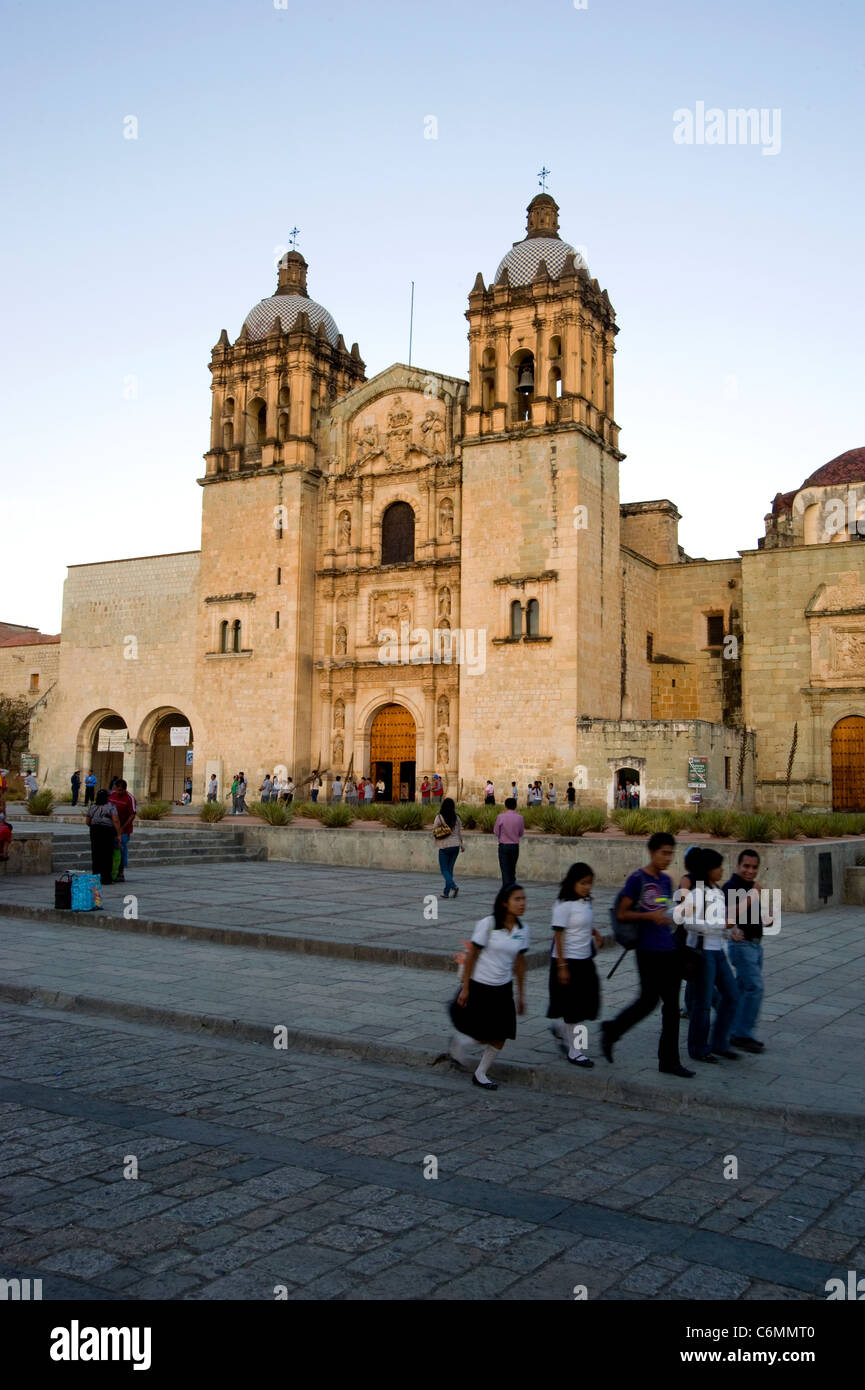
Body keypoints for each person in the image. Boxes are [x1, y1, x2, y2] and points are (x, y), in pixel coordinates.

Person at [601, 832, 694, 1078]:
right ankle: (612, 1030)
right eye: (663, 852)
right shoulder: (637, 879)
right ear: (652, 852)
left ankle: (669, 1060)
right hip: (647, 951)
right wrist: (648, 917)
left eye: (671, 853)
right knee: (648, 1001)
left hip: (668, 949)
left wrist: (671, 918)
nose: (667, 858)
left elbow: (662, 909)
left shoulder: (665, 881)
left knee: (672, 1008)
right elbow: (621, 914)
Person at [445, 882, 530, 1090]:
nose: (522, 903)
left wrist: (521, 995)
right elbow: (472, 955)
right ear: (504, 903)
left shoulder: (523, 929)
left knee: (502, 1035)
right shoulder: (488, 924)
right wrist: (466, 988)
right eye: (516, 899)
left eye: (523, 899)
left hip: (503, 988)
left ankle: (480, 1073)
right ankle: (460, 1043)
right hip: (480, 985)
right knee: (482, 1034)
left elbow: (519, 964)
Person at [681, 847, 740, 1063]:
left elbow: (721, 921)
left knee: (732, 996)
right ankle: (698, 1048)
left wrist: (730, 931)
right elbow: (689, 922)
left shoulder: (717, 891)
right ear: (707, 870)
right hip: (703, 952)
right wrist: (720, 925)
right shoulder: (697, 892)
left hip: (718, 950)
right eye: (717, 866)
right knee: (703, 1004)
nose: (721, 870)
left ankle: (719, 1041)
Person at [548, 862, 603, 1066]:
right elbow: (559, 936)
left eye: (590, 883)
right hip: (567, 961)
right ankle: (576, 1051)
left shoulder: (585, 902)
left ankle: (561, 1031)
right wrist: (562, 966)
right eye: (583, 883)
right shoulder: (563, 905)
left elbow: (583, 924)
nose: (587, 887)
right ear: (573, 882)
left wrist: (595, 933)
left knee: (589, 1003)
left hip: (585, 959)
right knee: (574, 1010)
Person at [725, 849, 771, 1053]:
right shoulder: (731, 886)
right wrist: (752, 897)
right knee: (754, 987)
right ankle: (742, 1033)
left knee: (741, 989)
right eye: (746, 866)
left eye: (754, 867)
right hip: (742, 946)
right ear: (738, 866)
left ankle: (729, 1027)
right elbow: (728, 915)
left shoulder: (752, 887)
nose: (750, 871)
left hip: (755, 946)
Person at [86, 789, 122, 886]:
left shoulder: (92, 806)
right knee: (107, 854)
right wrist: (119, 834)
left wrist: (94, 827)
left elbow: (88, 821)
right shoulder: (111, 806)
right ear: (107, 797)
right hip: (107, 831)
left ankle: (95, 877)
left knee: (96, 854)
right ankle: (106, 878)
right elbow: (115, 820)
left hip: (95, 831)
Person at [432, 796, 464, 899]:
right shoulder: (457, 817)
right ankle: (446, 892)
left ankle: (454, 887)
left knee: (444, 870)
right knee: (449, 870)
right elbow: (459, 832)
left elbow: (434, 829)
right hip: (455, 846)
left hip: (444, 846)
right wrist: (461, 845)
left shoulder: (439, 817)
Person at [109, 778, 136, 883]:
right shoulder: (112, 795)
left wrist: (122, 828)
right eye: (117, 789)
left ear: (125, 789)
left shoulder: (130, 798)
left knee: (122, 850)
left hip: (124, 829)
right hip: (112, 828)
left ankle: (121, 872)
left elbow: (132, 814)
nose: (118, 792)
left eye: (121, 790)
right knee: (112, 851)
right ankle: (112, 872)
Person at [493, 797, 525, 886]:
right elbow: (521, 833)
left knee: (505, 870)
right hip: (514, 846)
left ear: (505, 806)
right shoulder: (520, 818)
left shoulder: (500, 817)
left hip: (503, 846)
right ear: (515, 806)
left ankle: (507, 889)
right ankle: (512, 887)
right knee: (512, 869)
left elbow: (496, 832)